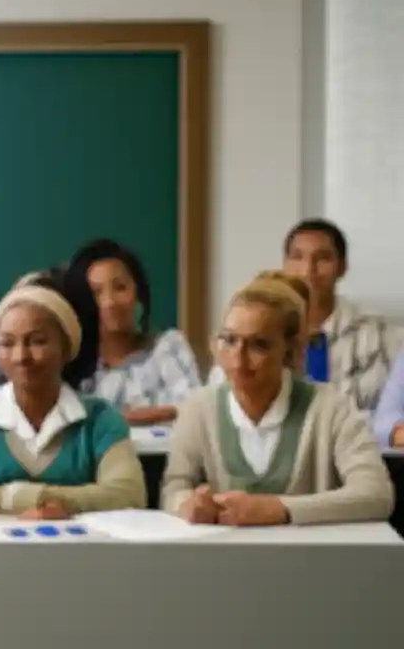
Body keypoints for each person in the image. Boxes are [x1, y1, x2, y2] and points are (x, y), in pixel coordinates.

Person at [162, 275, 393, 526]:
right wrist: (188, 504)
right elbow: (173, 487)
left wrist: (280, 508)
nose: (238, 359)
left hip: (309, 561)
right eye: (229, 340)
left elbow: (377, 494)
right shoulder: (198, 408)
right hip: (222, 560)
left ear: (290, 351)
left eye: (258, 345)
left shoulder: (331, 408)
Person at [0, 282, 146, 518]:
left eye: (37, 341)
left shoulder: (100, 419)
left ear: (66, 347)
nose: (20, 356)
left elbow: (129, 494)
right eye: (7, 343)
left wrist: (7, 498)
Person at [70, 239, 202, 425]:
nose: (110, 302)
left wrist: (112, 419)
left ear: (138, 292)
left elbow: (196, 410)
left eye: (120, 288)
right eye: (96, 293)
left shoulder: (169, 347)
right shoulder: (72, 364)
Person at [278, 219, 401, 412]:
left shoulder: (383, 337)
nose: (308, 270)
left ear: (342, 267)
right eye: (297, 257)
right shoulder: (261, 332)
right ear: (284, 265)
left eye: (323, 258)